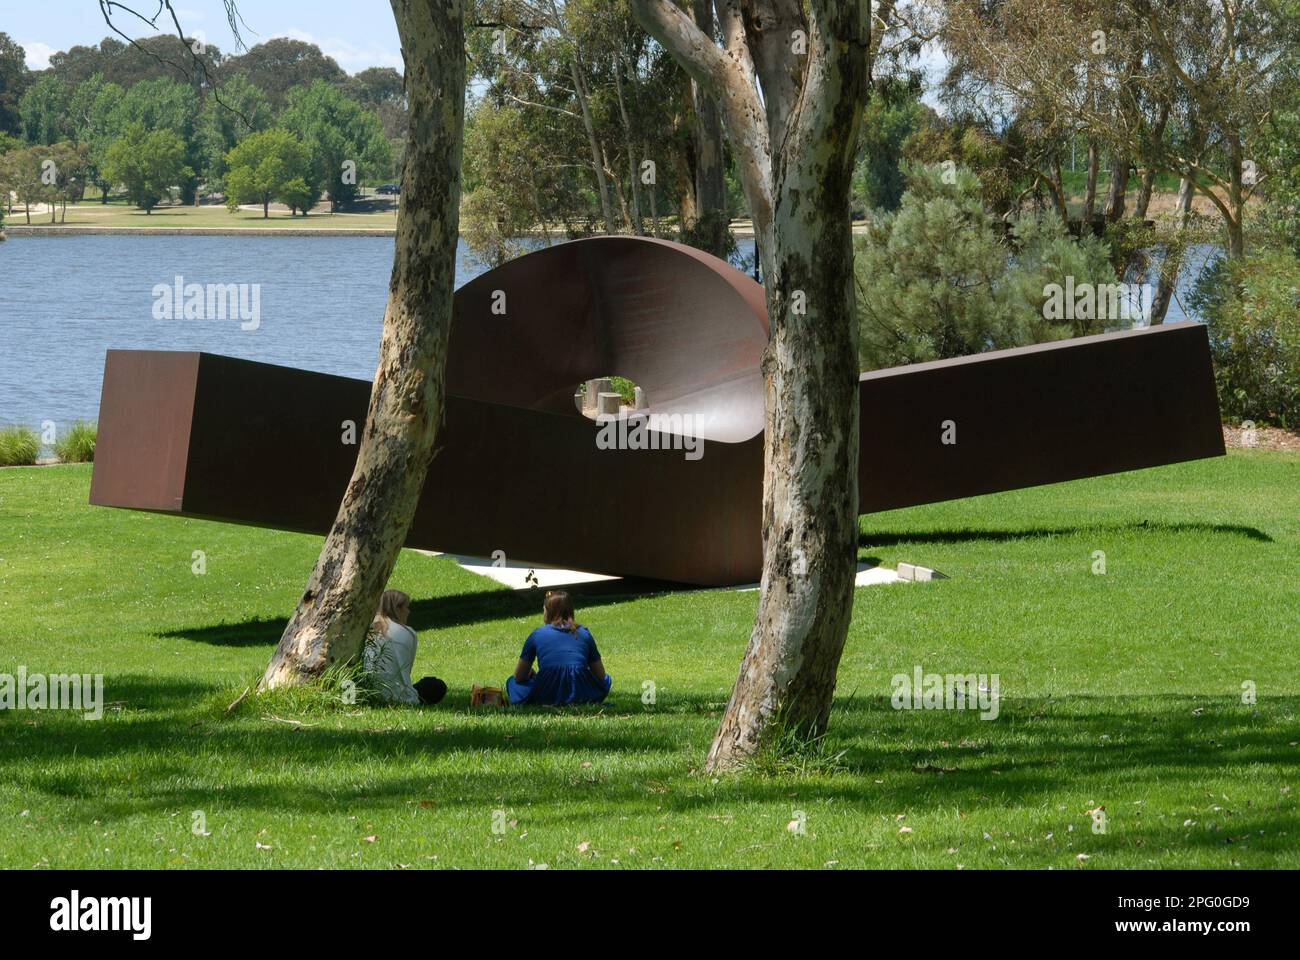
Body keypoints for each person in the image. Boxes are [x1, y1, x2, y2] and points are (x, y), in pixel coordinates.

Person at [506, 590, 611, 706]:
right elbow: (601, 676)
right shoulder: (584, 634)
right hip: (580, 691)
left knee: (512, 682)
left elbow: (519, 677)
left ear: (548, 612)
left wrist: (531, 675)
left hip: (547, 691)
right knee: (607, 680)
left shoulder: (537, 634)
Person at [363, 589, 447, 706]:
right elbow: (405, 671)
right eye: (406, 607)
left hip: (368, 693)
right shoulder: (408, 632)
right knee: (436, 685)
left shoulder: (368, 629)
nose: (408, 611)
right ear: (397, 609)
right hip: (399, 696)